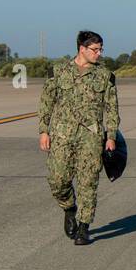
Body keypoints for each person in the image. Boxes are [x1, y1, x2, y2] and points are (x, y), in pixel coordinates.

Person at [38, 30, 120, 246]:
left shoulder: (105, 75)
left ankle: (84, 227)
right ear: (82, 49)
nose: (99, 53)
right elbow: (46, 101)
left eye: (101, 49)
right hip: (62, 135)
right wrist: (43, 131)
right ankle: (69, 208)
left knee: (88, 182)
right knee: (58, 180)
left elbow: (112, 108)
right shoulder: (59, 71)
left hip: (91, 137)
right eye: (95, 49)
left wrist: (111, 136)